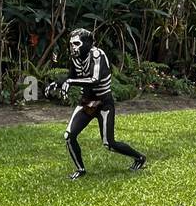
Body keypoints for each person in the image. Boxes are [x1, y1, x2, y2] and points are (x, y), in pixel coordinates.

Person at [47, 28, 146, 179]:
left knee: (109, 143)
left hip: (103, 103)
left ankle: (139, 157)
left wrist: (70, 81)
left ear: (87, 43)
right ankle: (80, 169)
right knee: (69, 135)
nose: (73, 47)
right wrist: (58, 83)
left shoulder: (97, 55)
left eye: (76, 43)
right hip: (86, 103)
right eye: (71, 44)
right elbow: (71, 76)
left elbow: (95, 80)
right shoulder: (75, 57)